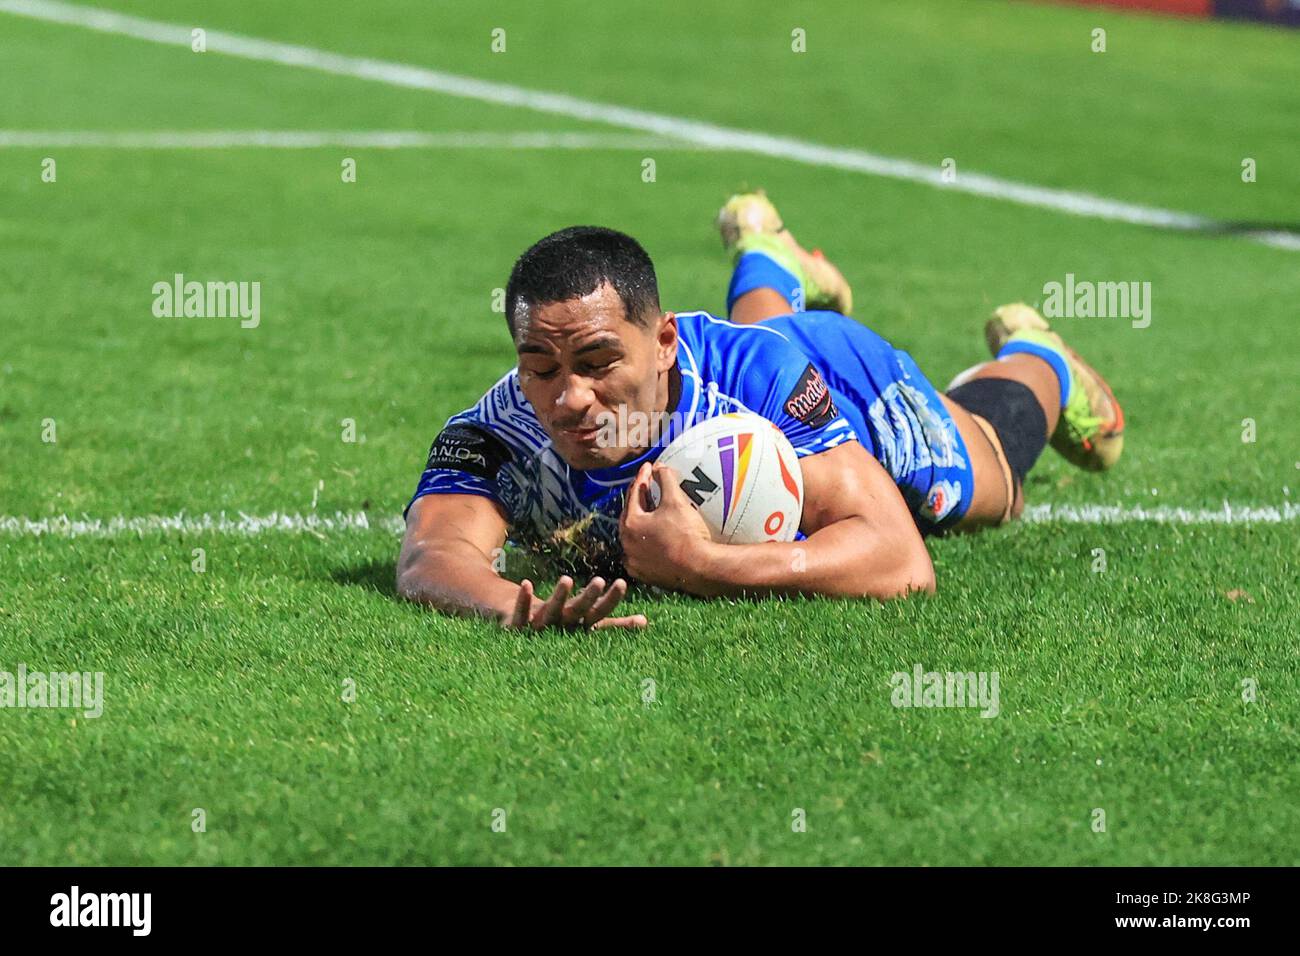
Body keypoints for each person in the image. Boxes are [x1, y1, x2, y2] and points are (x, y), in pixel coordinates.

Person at [396, 192, 1124, 630]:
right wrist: (508, 607)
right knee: (763, 334)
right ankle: (770, 259)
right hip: (758, 351)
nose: (568, 398)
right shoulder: (497, 431)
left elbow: (902, 561)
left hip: (838, 375)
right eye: (540, 368)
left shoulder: (760, 378)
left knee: (983, 491)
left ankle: (1039, 356)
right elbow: (434, 555)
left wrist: (707, 563)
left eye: (595, 363)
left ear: (662, 343)